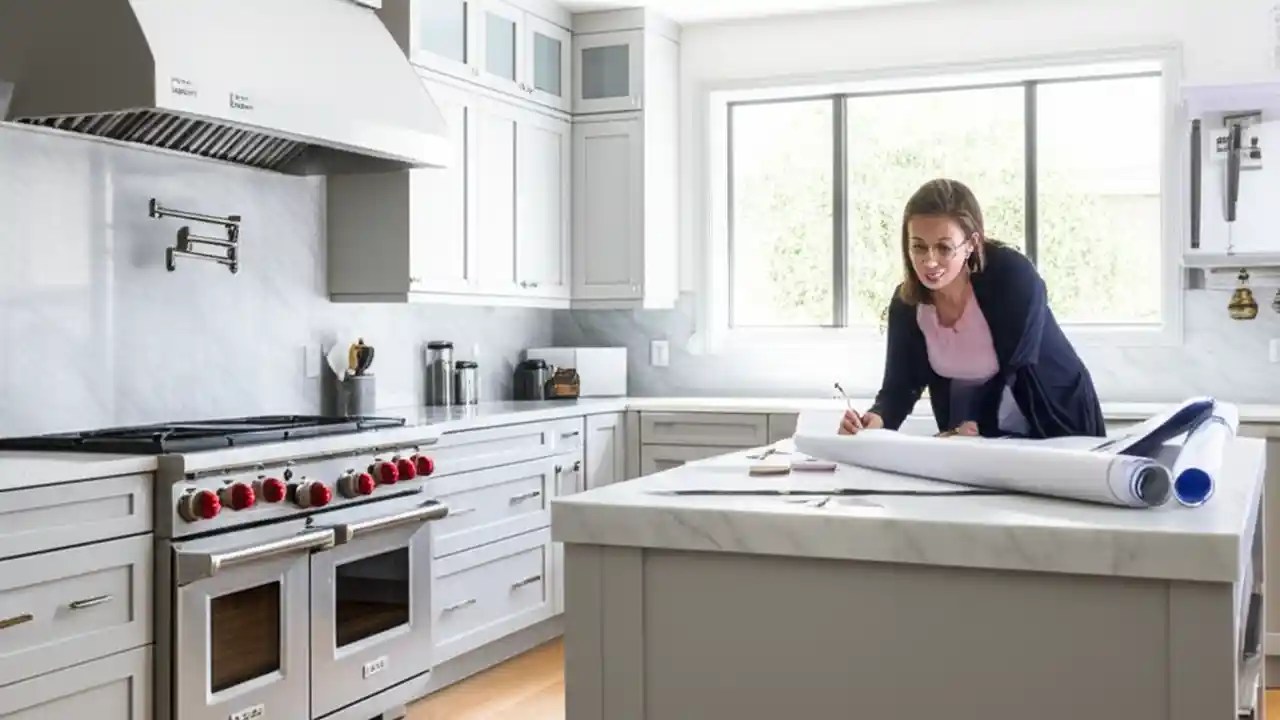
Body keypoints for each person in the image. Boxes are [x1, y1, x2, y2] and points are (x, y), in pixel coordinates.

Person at [840, 178, 1104, 440]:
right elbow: (899, 390)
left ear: (971, 244)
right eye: (918, 246)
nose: (929, 261)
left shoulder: (1012, 277)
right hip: (976, 438)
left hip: (1057, 423)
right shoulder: (907, 304)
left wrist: (974, 427)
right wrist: (873, 422)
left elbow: (1017, 368)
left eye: (944, 247)